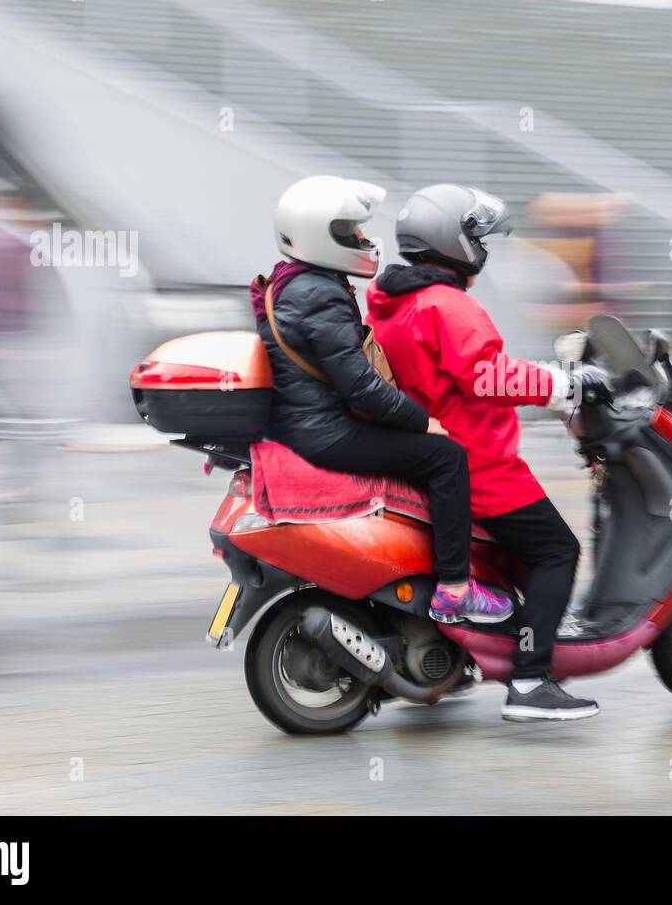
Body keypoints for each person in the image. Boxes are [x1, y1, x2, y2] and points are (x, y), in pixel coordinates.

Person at [367, 183, 610, 722]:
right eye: (478, 237)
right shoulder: (448, 305)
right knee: (558, 551)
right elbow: (487, 375)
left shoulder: (396, 302)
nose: (484, 248)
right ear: (455, 243)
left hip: (432, 451)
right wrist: (562, 383)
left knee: (518, 559)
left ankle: (494, 649)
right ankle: (530, 681)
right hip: (481, 462)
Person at [251, 175, 512, 624]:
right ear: (321, 235)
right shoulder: (319, 294)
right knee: (446, 457)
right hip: (326, 433)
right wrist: (420, 420)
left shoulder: (295, 281)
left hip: (305, 423)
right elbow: (361, 387)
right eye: (350, 232)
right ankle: (454, 589)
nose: (363, 239)